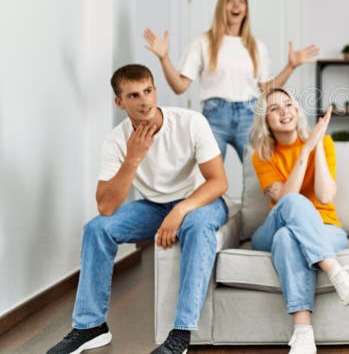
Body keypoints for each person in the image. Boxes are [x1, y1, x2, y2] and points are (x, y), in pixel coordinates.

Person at [47, 64, 229, 354]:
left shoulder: (191, 122)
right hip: (154, 207)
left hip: (200, 201)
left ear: (155, 91)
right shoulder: (116, 141)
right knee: (96, 229)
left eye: (147, 91)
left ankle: (181, 334)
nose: (144, 101)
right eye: (133, 95)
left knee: (195, 224)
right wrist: (132, 159)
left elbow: (219, 182)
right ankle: (90, 327)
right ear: (120, 103)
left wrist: (181, 210)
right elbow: (106, 207)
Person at [249, 88, 349, 354]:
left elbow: (325, 196)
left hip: (325, 229)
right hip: (273, 225)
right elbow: (287, 199)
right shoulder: (262, 155)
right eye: (274, 109)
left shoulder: (322, 143)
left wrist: (316, 145)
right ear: (265, 121)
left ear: (297, 110)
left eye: (288, 105)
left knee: (287, 239)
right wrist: (306, 150)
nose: (284, 113)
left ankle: (302, 333)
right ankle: (335, 271)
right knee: (291, 203)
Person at [144, 0, 318, 161]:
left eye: (241, 1)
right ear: (221, 7)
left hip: (249, 115)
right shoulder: (203, 43)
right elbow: (179, 87)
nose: (236, 5)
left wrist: (291, 66)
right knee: (210, 174)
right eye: (230, 1)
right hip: (215, 115)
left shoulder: (256, 47)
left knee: (258, 171)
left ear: (246, 10)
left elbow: (267, 89)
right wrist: (164, 58)